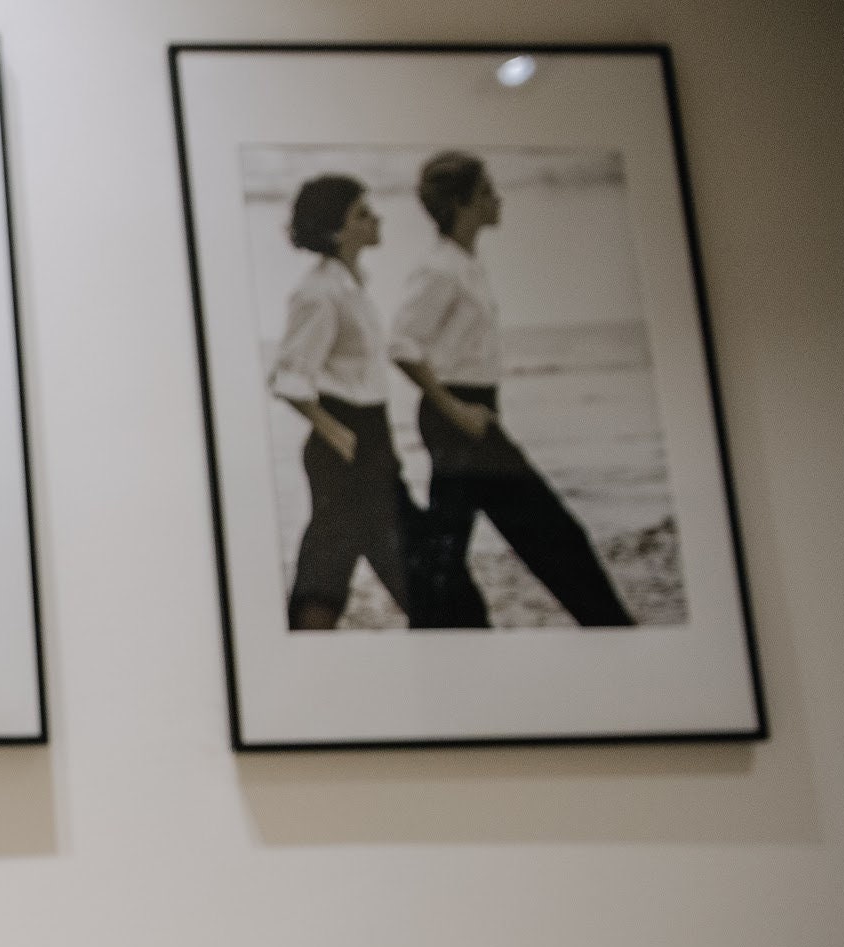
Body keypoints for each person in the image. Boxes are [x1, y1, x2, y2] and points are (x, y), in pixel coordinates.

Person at [391, 152, 634, 628]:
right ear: (461, 203)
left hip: (470, 414)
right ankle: (613, 628)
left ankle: (445, 634)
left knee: (447, 550)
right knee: (554, 535)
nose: (497, 199)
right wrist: (456, 410)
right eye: (486, 191)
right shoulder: (440, 269)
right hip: (459, 419)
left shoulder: (464, 264)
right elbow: (401, 343)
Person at [268, 175, 422, 630]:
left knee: (348, 572)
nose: (376, 219)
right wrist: (336, 432)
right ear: (337, 231)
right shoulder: (319, 292)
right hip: (346, 447)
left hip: (370, 441)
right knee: (329, 577)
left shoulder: (351, 284)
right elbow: (288, 377)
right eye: (362, 213)